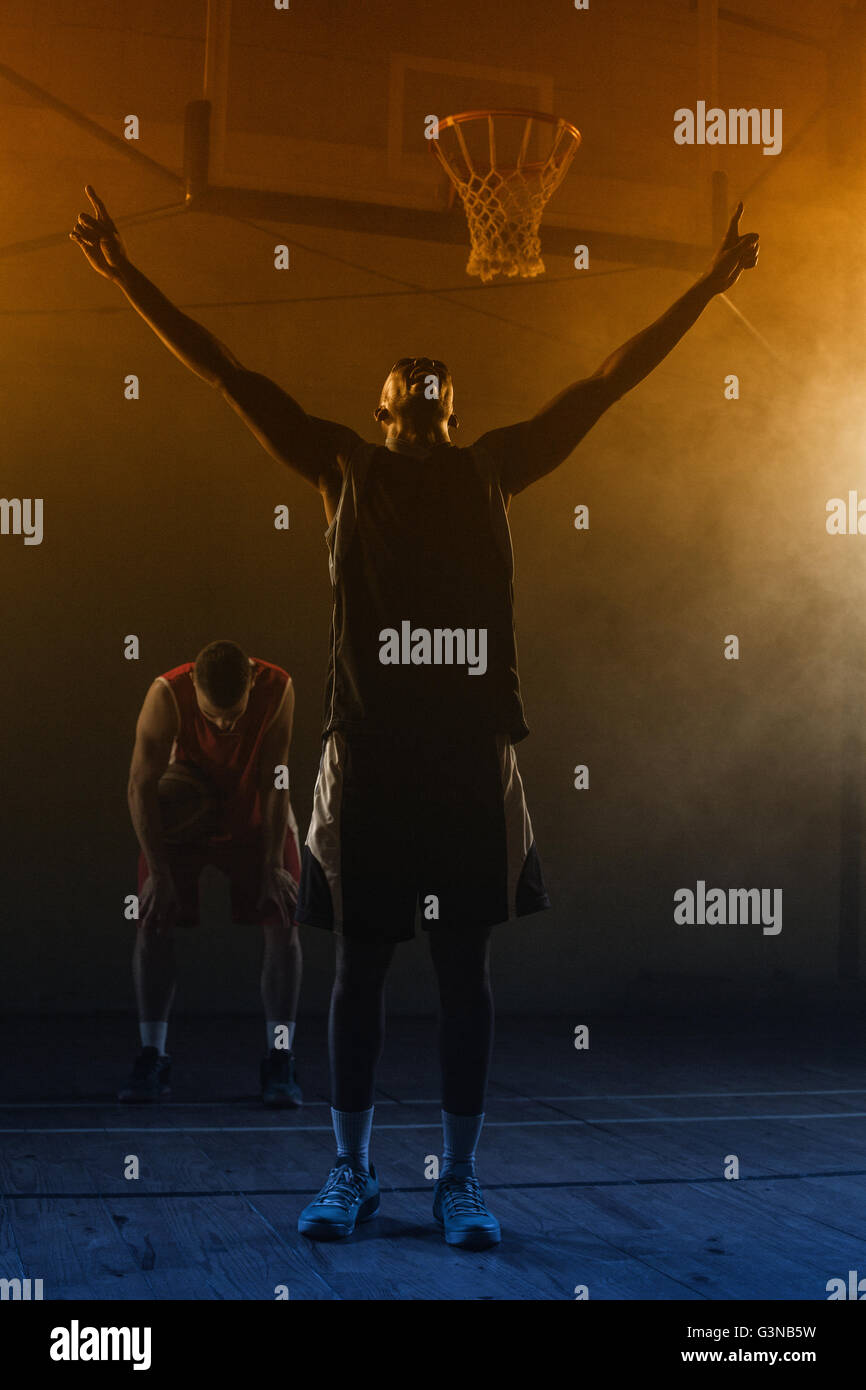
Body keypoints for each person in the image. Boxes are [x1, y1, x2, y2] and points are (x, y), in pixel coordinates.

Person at [71, 187, 758, 1248]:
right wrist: (127, 279)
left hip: (471, 756)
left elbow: (606, 381)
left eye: (439, 378)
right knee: (357, 966)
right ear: (383, 401)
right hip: (371, 752)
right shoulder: (341, 466)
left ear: (452, 400)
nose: (424, 378)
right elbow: (224, 370)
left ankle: (461, 1179)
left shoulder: (495, 467)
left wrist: (704, 289)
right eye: (408, 377)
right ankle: (349, 1169)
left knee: (462, 973)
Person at [122, 639, 302, 1109]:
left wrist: (272, 866)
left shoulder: (278, 687)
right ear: (195, 688)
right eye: (214, 715)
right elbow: (140, 787)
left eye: (235, 715)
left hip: (253, 812)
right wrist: (159, 873)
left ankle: (280, 1058)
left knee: (283, 920)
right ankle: (152, 1055)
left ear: (250, 683)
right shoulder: (166, 694)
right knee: (151, 919)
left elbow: (276, 774)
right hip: (186, 821)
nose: (225, 724)